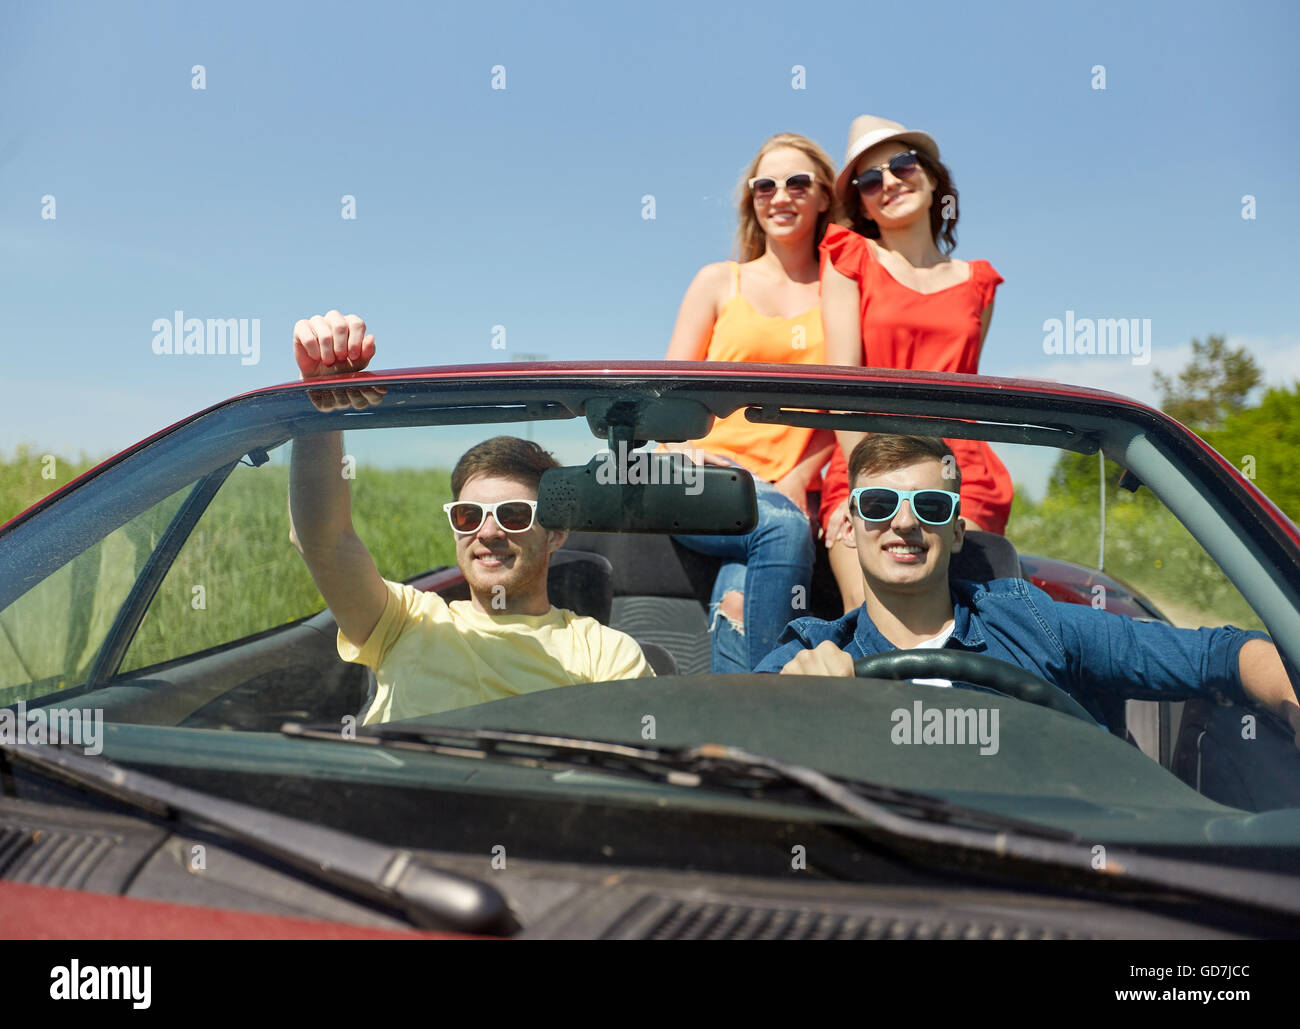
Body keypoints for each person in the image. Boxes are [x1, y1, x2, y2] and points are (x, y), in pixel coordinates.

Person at [754, 434, 1300, 745]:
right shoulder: (813, 657)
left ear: (958, 530)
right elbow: (719, 739)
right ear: (848, 527)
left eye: (931, 506)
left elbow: (1223, 654)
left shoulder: (1031, 623)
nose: (903, 524)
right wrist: (788, 703)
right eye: (877, 506)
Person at [288, 310, 654, 724]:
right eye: (468, 516)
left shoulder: (605, 653)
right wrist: (319, 403)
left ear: (556, 533)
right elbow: (323, 542)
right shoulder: (406, 620)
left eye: (514, 515)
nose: (489, 531)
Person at [819, 115, 1014, 614]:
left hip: (960, 470)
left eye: (901, 165)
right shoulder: (848, 257)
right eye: (869, 179)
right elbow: (841, 388)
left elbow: (965, 387)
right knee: (872, 624)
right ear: (861, 202)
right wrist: (863, 484)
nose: (888, 182)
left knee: (981, 625)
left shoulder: (978, 283)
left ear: (930, 175)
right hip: (869, 461)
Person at [663, 132, 840, 672]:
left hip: (783, 490)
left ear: (825, 196)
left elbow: (844, 408)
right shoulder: (719, 282)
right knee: (782, 527)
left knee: (743, 585)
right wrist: (679, 448)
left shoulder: (841, 290)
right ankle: (773, 703)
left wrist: (802, 477)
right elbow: (666, 393)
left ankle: (733, 734)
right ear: (751, 198)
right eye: (765, 184)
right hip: (700, 475)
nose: (780, 195)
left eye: (797, 183)